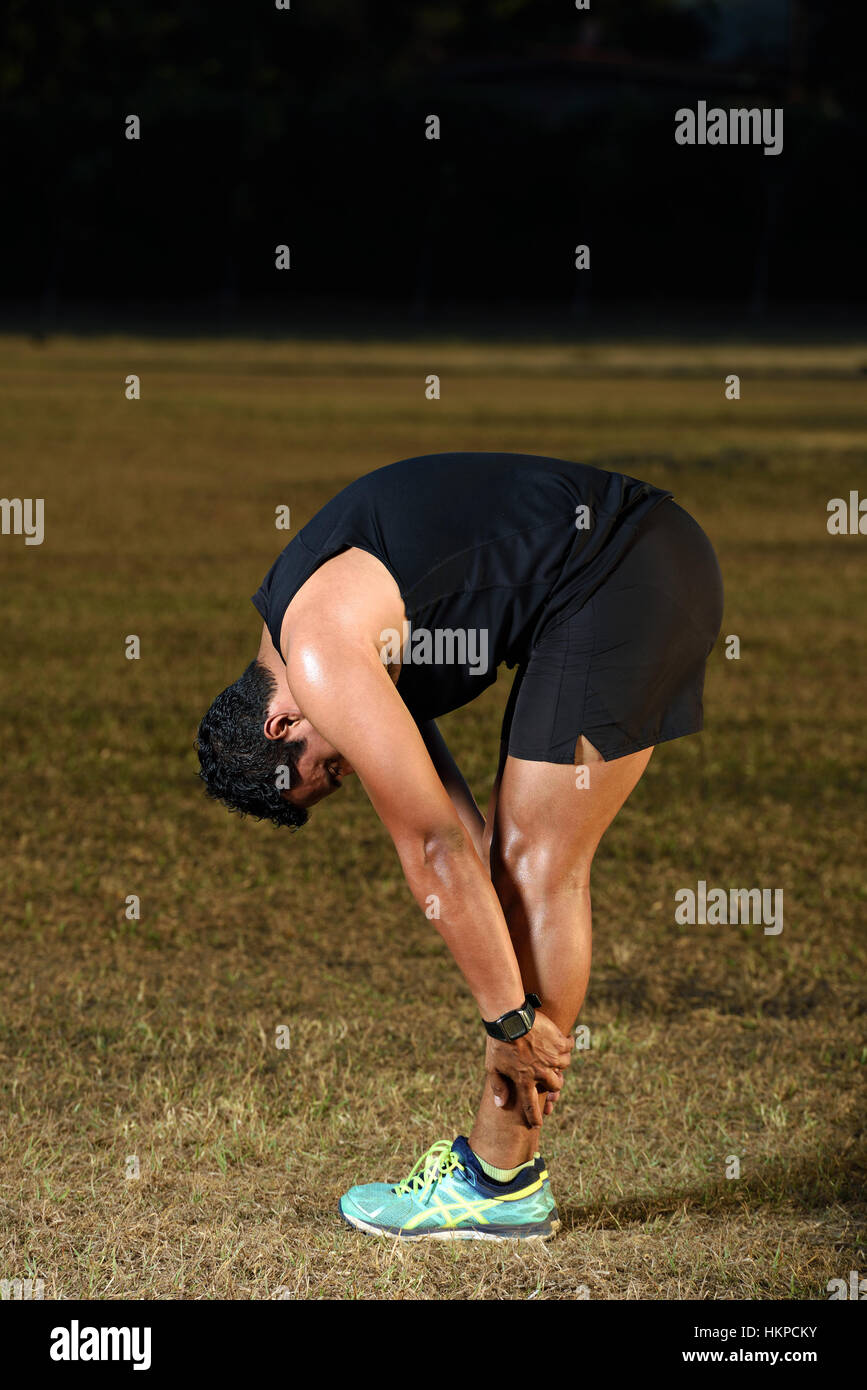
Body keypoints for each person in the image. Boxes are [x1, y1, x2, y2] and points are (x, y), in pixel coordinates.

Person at [195, 452, 723, 1240]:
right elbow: (464, 841)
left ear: (282, 725)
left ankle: (500, 1179)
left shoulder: (320, 654)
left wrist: (510, 1024)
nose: (349, 769)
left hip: (622, 575)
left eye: (328, 768)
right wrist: (507, 995)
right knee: (517, 868)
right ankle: (499, 1174)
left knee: (540, 870)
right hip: (637, 563)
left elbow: (433, 848)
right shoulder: (320, 635)